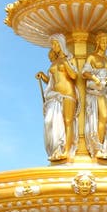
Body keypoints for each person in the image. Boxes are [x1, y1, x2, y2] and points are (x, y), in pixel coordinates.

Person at [36, 34, 79, 162]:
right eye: (52, 45)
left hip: (68, 93)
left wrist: (66, 63)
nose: (53, 47)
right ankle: (57, 148)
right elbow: (52, 81)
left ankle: (67, 151)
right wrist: (43, 76)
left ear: (61, 44)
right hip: (55, 96)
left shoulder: (69, 59)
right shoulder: (54, 62)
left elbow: (74, 76)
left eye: (55, 44)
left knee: (68, 122)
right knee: (52, 122)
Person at [81, 32, 107, 160]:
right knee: (101, 117)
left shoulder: (106, 60)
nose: (105, 44)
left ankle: (102, 147)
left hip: (104, 91)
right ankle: (96, 149)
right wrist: (95, 78)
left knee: (106, 118)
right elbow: (84, 72)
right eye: (103, 41)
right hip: (95, 91)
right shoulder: (92, 57)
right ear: (98, 42)